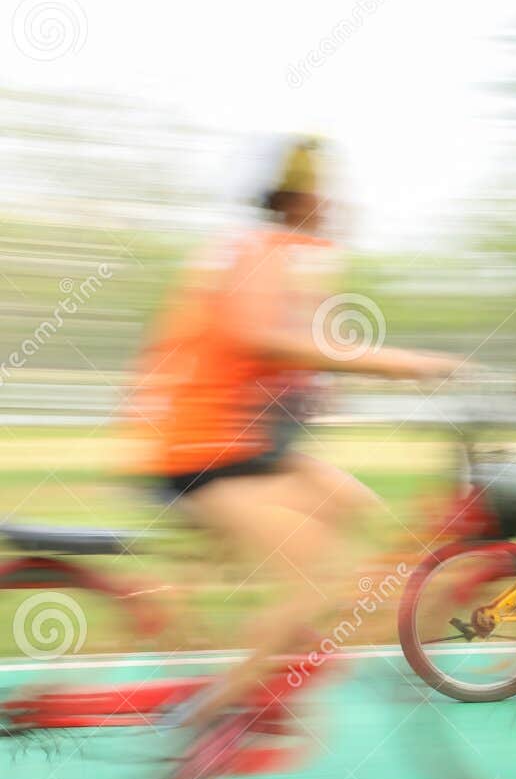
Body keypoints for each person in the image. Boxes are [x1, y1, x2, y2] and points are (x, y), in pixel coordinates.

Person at [127, 137, 459, 724]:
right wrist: (393, 362)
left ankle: (275, 655)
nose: (338, 202)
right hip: (204, 450)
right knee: (314, 583)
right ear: (304, 197)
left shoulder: (288, 257)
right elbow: (261, 338)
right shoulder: (261, 254)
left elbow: (289, 363)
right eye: (329, 189)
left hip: (245, 447)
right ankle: (209, 714)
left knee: (356, 507)